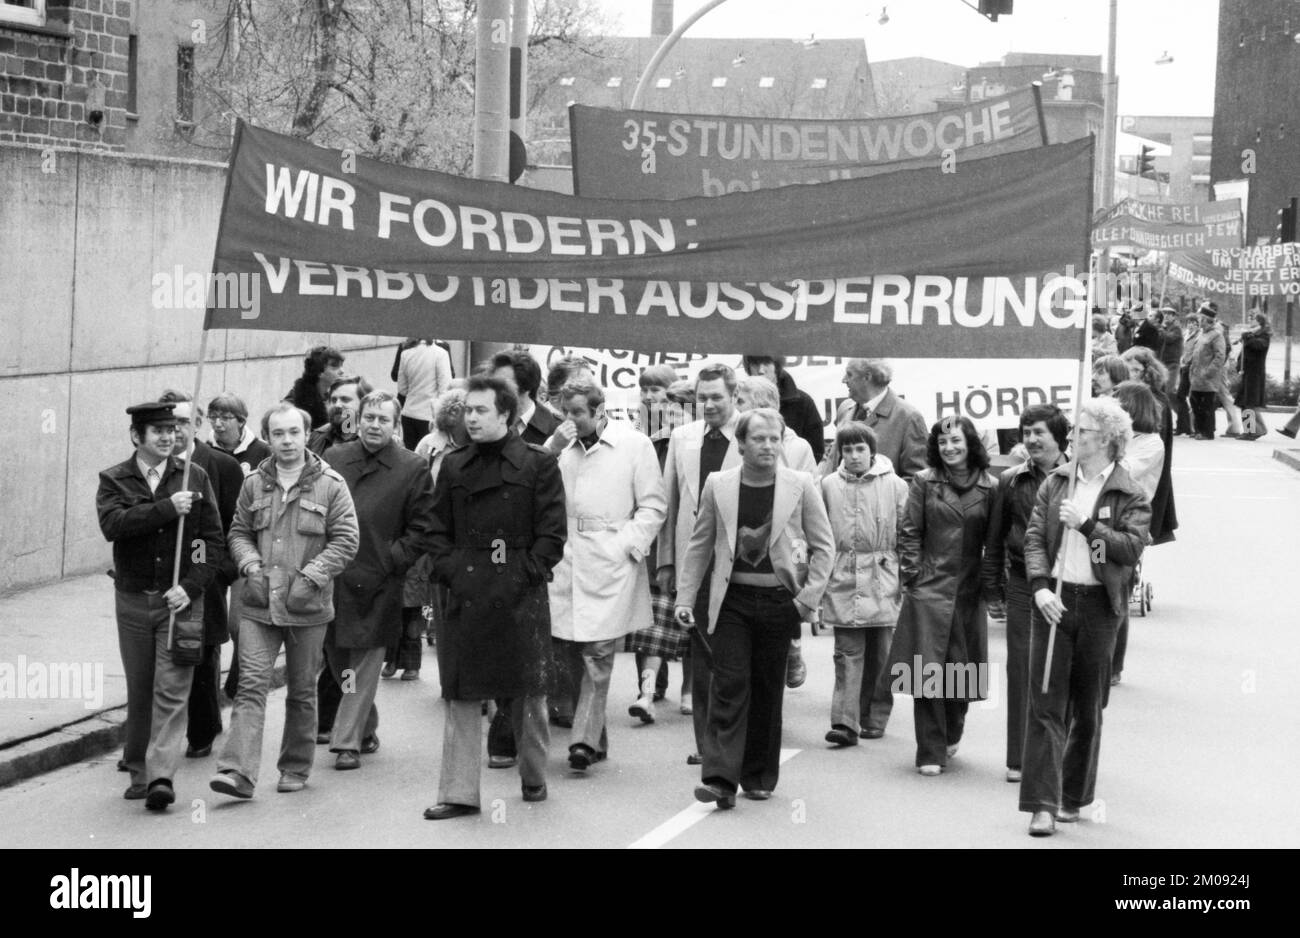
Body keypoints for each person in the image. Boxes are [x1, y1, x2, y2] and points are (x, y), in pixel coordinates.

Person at [423, 376, 567, 819]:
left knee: (527, 691)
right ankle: (458, 792)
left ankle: (534, 773)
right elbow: (435, 529)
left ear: (505, 415)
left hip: (519, 593)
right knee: (462, 693)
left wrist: (523, 575)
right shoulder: (453, 465)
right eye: (467, 410)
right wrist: (452, 574)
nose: (471, 418)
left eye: (481, 410)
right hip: (465, 594)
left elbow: (552, 536)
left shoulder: (538, 464)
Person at [676, 408, 834, 808]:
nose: (767, 445)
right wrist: (684, 597)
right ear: (741, 443)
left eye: (774, 438)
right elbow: (699, 545)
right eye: (759, 438)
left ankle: (759, 775)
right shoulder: (719, 484)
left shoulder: (800, 484)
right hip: (731, 602)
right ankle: (719, 780)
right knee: (728, 684)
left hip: (781, 602)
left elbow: (824, 546)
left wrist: (805, 601)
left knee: (766, 687)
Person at [210, 403, 359, 799]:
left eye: (294, 432)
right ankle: (237, 772)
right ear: (269, 438)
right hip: (258, 602)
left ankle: (294, 767)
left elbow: (346, 540)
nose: (287, 441)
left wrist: (312, 576)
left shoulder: (331, 485)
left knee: (301, 691)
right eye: (278, 434)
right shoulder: (254, 484)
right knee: (251, 685)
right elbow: (238, 531)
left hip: (307, 606)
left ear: (306, 435)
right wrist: (248, 563)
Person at [1020, 397, 1151, 836]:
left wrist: (1088, 526)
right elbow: (1035, 537)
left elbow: (1130, 548)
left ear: (1108, 440)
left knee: (1087, 709)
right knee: (1045, 703)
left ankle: (1072, 798)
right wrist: (1038, 586)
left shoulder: (1129, 491)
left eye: (1082, 432)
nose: (1072, 437)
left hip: (1098, 608)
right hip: (1053, 603)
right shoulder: (1057, 482)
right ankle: (1041, 803)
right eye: (1074, 431)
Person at [97, 402, 225, 811]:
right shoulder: (115, 479)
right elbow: (114, 526)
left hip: (181, 605)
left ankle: (161, 778)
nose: (169, 436)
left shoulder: (195, 476)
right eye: (158, 431)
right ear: (137, 437)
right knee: (141, 688)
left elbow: (211, 544)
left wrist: (189, 586)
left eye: (173, 429)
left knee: (172, 690)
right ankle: (138, 770)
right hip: (134, 601)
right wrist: (169, 508)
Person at [547, 382, 666, 769]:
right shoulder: (559, 448)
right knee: (568, 647)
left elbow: (652, 506)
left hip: (611, 556)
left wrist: (628, 546)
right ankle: (595, 737)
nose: (569, 420)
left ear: (600, 412)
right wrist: (551, 448)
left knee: (598, 652)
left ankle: (581, 741)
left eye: (577, 413)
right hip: (566, 557)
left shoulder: (634, 445)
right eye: (564, 411)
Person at [323, 391, 437, 770]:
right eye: (369, 417)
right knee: (342, 664)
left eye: (382, 419)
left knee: (365, 661)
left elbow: (423, 526)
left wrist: (395, 559)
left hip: (379, 582)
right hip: (334, 579)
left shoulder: (412, 467)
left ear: (396, 424)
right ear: (358, 419)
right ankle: (365, 725)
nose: (374, 425)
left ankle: (346, 742)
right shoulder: (335, 459)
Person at [888, 416, 997, 776]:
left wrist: (989, 584)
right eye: (943, 442)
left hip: (968, 588)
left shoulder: (991, 486)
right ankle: (930, 750)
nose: (949, 448)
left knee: (961, 668)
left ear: (970, 444)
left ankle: (953, 730)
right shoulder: (924, 481)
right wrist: (913, 577)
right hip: (929, 587)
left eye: (957, 441)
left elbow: (993, 543)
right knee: (927, 670)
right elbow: (909, 532)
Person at [658, 364, 743, 765]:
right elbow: (671, 503)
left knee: (733, 655)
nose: (707, 405)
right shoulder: (682, 437)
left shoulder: (751, 434)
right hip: (694, 563)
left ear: (734, 396)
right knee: (703, 654)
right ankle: (708, 744)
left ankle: (734, 738)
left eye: (716, 398)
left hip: (739, 564)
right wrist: (667, 563)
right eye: (702, 397)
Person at [982, 404, 1070, 783]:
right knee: (1021, 668)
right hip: (1022, 584)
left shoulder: (1079, 479)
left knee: (1063, 669)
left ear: (1059, 437)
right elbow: (995, 538)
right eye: (1026, 432)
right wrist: (992, 587)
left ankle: (1060, 752)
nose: (1031, 440)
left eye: (1039, 433)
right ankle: (1019, 757)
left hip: (1072, 585)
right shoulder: (1011, 481)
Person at [157, 390, 243, 761]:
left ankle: (202, 730)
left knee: (202, 651)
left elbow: (233, 524)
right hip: (161, 578)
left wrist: (219, 573)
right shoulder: (153, 465)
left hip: (204, 576)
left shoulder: (220, 466)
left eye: (181, 423)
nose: (174, 431)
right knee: (163, 653)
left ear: (196, 424)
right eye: (167, 424)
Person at [820, 422, 909, 747]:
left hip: (883, 575)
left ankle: (875, 715)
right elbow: (815, 533)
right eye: (847, 449)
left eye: (860, 449)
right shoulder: (828, 485)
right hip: (842, 575)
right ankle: (844, 722)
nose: (854, 455)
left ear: (872, 451)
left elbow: (906, 534)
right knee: (846, 653)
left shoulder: (896, 486)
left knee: (882, 654)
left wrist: (906, 577)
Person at [626, 377, 697, 718]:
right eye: (667, 411)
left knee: (692, 621)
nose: (669, 418)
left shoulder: (699, 444)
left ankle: (690, 689)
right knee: (653, 623)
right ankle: (647, 690)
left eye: (676, 411)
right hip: (659, 539)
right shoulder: (651, 443)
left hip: (692, 539)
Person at [1109, 381, 1166, 686]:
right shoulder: (1118, 439)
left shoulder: (1151, 443)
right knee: (1098, 587)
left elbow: (1124, 470)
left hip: (1129, 526)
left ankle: (1114, 666)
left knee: (1116, 591)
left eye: (1118, 403)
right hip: (1102, 523)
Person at [821, 359, 928, 481]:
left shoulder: (909, 417)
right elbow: (832, 460)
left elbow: (917, 479)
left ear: (867, 377)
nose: (844, 380)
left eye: (849, 374)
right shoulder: (845, 409)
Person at [1121, 346, 1178, 546]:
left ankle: (1131, 575)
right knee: (1104, 548)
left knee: (1131, 542)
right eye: (1127, 369)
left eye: (1136, 369)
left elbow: (1150, 453)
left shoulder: (1155, 402)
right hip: (1124, 490)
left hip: (1140, 487)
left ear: (1148, 371)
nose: (1131, 374)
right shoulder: (1126, 397)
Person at [741, 355, 825, 463]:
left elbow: (815, 452)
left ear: (776, 365)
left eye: (767, 363)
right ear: (748, 367)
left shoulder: (802, 402)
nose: (761, 370)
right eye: (756, 364)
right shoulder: (739, 400)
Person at [735, 376, 817, 474]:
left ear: (763, 407)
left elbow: (810, 487)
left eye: (740, 402)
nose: (735, 407)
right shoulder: (734, 439)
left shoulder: (798, 447)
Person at [491, 350, 562, 445]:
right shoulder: (484, 421)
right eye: (492, 384)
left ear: (526, 387)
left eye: (502, 385)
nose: (493, 390)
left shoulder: (556, 430)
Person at [396, 339, 453, 450]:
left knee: (411, 458)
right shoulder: (441, 354)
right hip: (429, 416)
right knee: (427, 458)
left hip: (408, 414)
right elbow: (445, 389)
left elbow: (402, 389)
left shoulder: (405, 354)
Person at [207, 392, 271, 476]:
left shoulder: (263, 451)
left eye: (225, 418)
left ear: (241, 421)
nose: (217, 424)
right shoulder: (205, 451)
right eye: (213, 417)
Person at [307, 376, 372, 457]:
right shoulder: (315, 437)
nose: (337, 405)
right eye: (333, 400)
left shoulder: (373, 439)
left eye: (345, 399)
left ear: (363, 404)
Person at [1188, 305, 1227, 440]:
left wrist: (1209, 372)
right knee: (1195, 404)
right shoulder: (1201, 333)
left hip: (1208, 378)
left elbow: (1220, 356)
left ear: (1207, 320)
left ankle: (1207, 432)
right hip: (1196, 376)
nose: (1199, 321)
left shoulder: (1216, 335)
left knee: (1207, 406)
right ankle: (1199, 430)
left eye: (1201, 319)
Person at [285, 345, 344, 430]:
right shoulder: (295, 400)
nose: (342, 371)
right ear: (319, 372)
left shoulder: (338, 394)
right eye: (334, 366)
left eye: (341, 365)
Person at [1233, 313, 1272, 440]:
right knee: (1244, 403)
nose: (1250, 320)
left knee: (1249, 403)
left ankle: (1252, 431)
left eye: (1253, 318)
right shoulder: (1251, 334)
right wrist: (1239, 365)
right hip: (1247, 372)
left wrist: (1248, 337)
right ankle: (1254, 429)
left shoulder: (1264, 335)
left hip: (1255, 373)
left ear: (1260, 322)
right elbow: (1244, 352)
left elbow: (1259, 346)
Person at [1155, 309, 1184, 398]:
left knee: (1168, 391)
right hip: (1163, 363)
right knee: (1161, 390)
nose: (1166, 316)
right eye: (1165, 314)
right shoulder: (1164, 328)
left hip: (1172, 364)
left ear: (1174, 317)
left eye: (1169, 314)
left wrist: (1160, 329)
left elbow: (1169, 338)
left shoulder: (1176, 328)